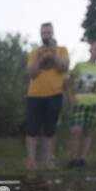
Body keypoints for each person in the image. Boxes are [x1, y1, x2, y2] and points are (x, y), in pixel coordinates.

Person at [24, 22, 70, 170]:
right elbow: (32, 73)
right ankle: (31, 161)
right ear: (40, 34)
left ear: (53, 33)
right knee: (32, 129)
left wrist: (54, 52)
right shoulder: (34, 52)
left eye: (49, 33)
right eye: (44, 33)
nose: (46, 35)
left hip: (55, 94)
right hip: (35, 95)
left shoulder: (62, 50)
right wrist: (40, 58)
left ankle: (49, 160)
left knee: (50, 130)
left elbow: (64, 67)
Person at [65, 41, 96, 167]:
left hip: (94, 103)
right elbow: (69, 83)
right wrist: (71, 98)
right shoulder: (80, 66)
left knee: (88, 132)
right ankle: (72, 158)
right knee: (76, 130)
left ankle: (82, 158)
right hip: (80, 102)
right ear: (90, 50)